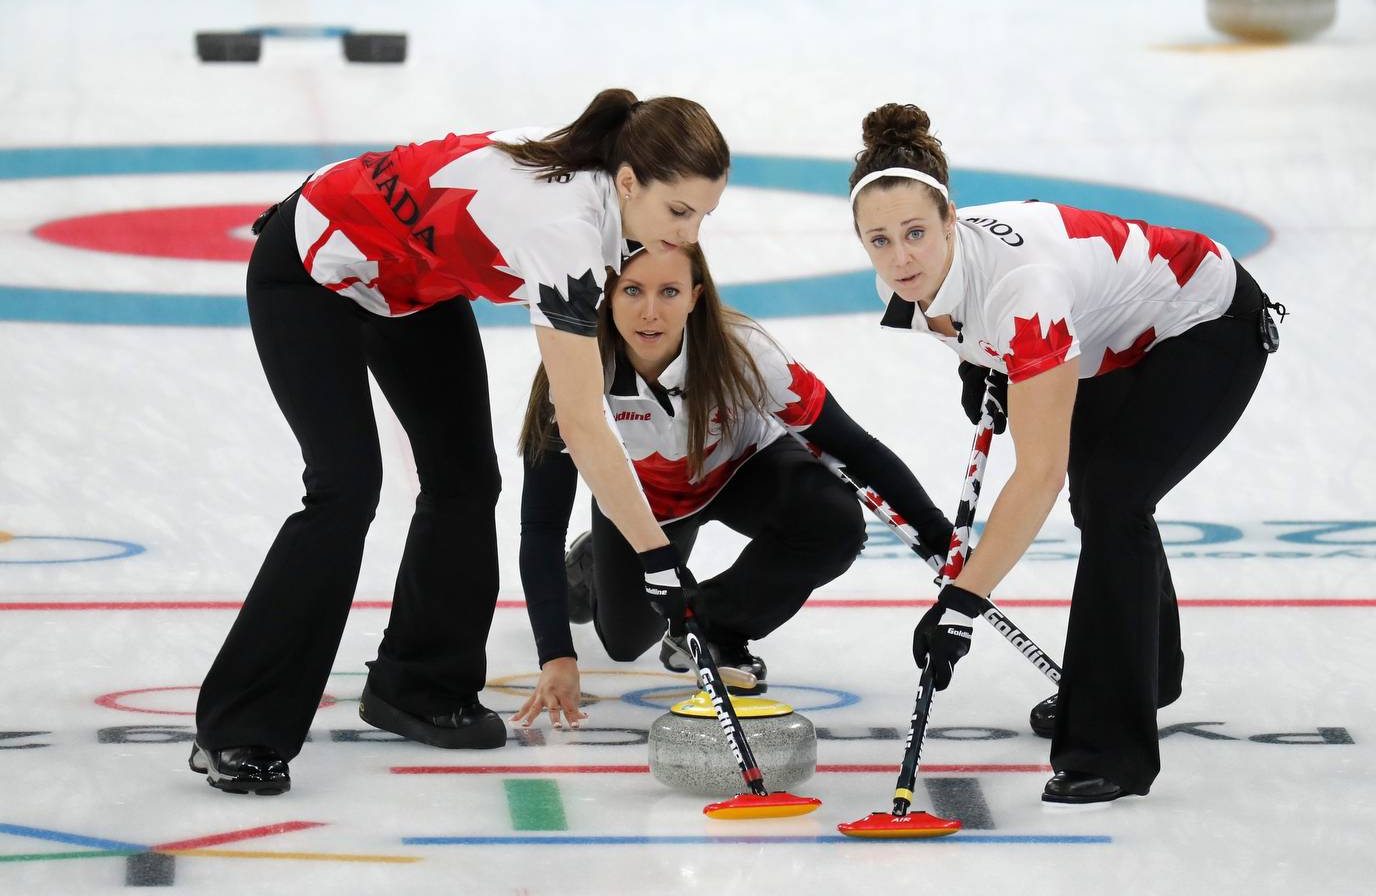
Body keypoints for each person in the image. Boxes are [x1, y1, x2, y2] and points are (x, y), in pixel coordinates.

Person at [191, 90, 730, 795]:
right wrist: (657, 559)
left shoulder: (607, 184)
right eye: (680, 212)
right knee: (345, 489)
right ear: (628, 182)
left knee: (467, 479)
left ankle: (416, 685)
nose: (690, 237)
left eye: (703, 216)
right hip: (311, 269)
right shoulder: (565, 231)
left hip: (408, 285)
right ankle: (237, 727)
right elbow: (580, 420)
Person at [849, 103, 1281, 804]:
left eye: (917, 234)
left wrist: (961, 605)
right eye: (879, 240)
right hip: (1105, 340)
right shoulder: (908, 280)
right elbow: (987, 330)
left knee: (1111, 497)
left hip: (1205, 323)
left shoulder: (1027, 290)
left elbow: (1038, 474)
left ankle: (1109, 748)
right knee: (1106, 496)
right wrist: (984, 372)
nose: (899, 257)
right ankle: (1149, 672)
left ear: (952, 219)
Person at [510, 242, 952, 728]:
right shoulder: (573, 374)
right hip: (643, 506)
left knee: (832, 521)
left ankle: (716, 627)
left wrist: (940, 539)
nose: (650, 312)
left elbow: (855, 447)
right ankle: (592, 567)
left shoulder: (744, 351)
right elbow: (541, 526)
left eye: (670, 291)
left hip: (744, 471)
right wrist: (556, 656)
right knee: (624, 642)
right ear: (607, 296)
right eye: (632, 290)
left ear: (696, 296)